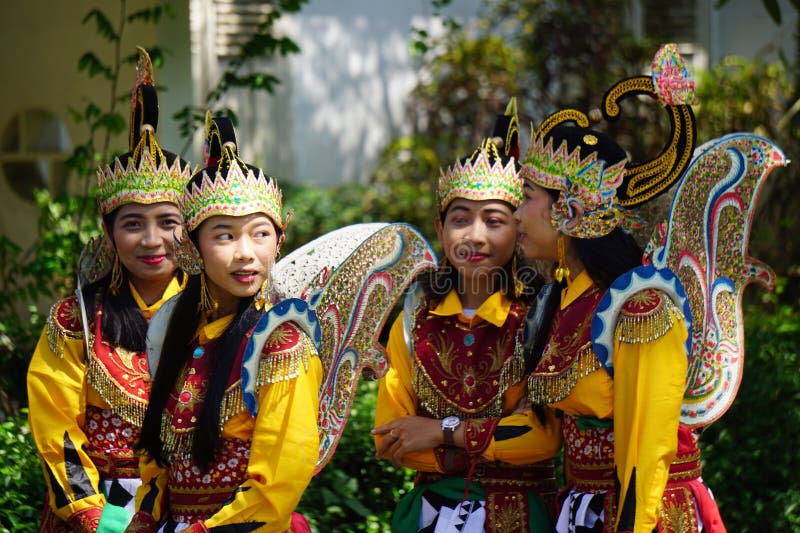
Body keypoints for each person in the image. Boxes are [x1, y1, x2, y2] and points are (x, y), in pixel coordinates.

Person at [515, 121, 726, 532]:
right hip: (582, 509)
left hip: (646, 516)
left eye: (525, 199)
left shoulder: (641, 310)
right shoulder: (560, 301)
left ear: (568, 211)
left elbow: (647, 454)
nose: (517, 215)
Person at [372, 101, 562, 533]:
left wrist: (440, 432)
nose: (475, 237)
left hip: (523, 516)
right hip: (431, 515)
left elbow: (544, 438)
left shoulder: (543, 315)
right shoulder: (413, 318)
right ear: (440, 230)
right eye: (461, 220)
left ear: (519, 231)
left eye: (494, 221)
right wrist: (493, 440)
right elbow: (390, 439)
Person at [126, 115, 321, 532]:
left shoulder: (282, 346)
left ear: (279, 240)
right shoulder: (177, 333)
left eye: (259, 234)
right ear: (192, 249)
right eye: (225, 236)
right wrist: (145, 515)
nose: (246, 253)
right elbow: (162, 462)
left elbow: (278, 485)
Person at [27, 47, 192, 532]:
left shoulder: (211, 314)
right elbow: (55, 426)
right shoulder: (76, 318)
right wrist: (96, 516)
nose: (151, 240)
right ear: (109, 232)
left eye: (168, 222)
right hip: (93, 509)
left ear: (191, 229)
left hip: (186, 509)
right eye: (133, 224)